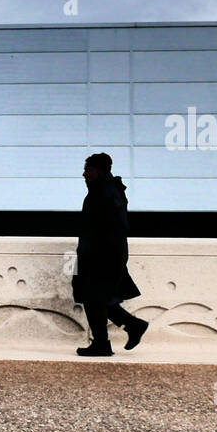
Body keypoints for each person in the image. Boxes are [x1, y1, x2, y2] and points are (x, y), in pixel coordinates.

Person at [72, 152, 148, 356]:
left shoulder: (106, 193)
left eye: (87, 169)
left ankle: (105, 342)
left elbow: (115, 228)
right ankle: (131, 327)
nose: (83, 174)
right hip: (98, 255)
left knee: (94, 298)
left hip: (101, 257)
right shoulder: (103, 191)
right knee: (99, 299)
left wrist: (103, 258)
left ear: (97, 171)